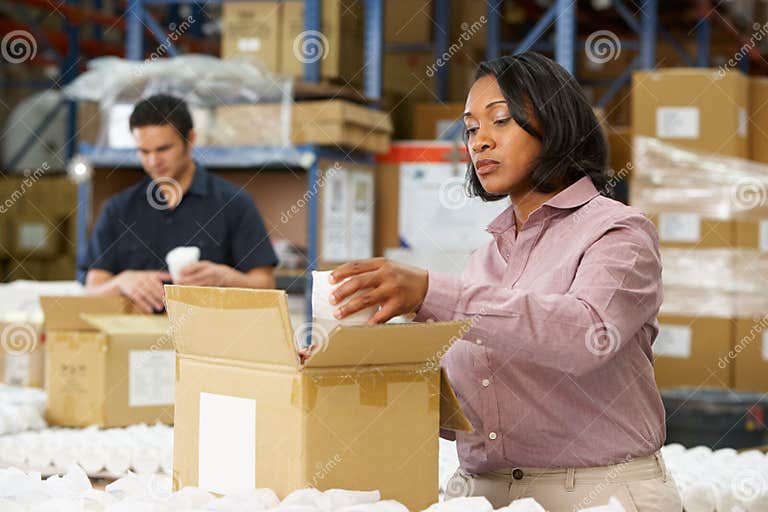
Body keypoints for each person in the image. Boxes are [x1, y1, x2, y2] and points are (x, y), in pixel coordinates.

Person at [325, 53, 682, 511]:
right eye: (471, 129)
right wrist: (355, 370)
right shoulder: (485, 260)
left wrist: (432, 293)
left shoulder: (618, 232)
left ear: (556, 122)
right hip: (483, 493)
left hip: (596, 494)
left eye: (500, 121)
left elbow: (585, 336)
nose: (480, 142)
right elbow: (466, 404)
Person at [79, 94, 277, 313]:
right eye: (144, 151)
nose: (153, 161)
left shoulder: (234, 203)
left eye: (163, 149)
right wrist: (122, 281)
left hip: (209, 331)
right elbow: (92, 290)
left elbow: (266, 285)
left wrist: (225, 277)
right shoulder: (118, 209)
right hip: (136, 332)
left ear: (190, 139)